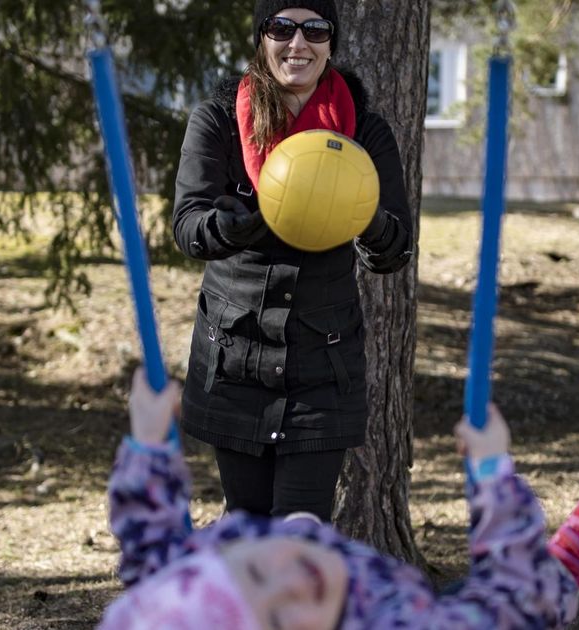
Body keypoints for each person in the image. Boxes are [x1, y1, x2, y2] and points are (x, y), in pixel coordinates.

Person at [99, 370, 579, 629]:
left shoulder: (181, 591)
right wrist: (491, 471)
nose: (293, 580)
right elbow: (511, 602)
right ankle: (561, 578)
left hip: (282, 547)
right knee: (520, 601)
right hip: (398, 600)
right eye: (283, 619)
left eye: (260, 574)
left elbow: (150, 545)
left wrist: (148, 442)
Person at [170, 0, 414, 523]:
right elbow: (187, 227)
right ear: (262, 36)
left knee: (300, 540)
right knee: (251, 534)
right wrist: (228, 226)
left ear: (332, 42)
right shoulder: (217, 120)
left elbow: (394, 251)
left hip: (321, 367)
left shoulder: (363, 132)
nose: (298, 44)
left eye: (315, 30)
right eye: (282, 27)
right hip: (235, 359)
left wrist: (363, 217)